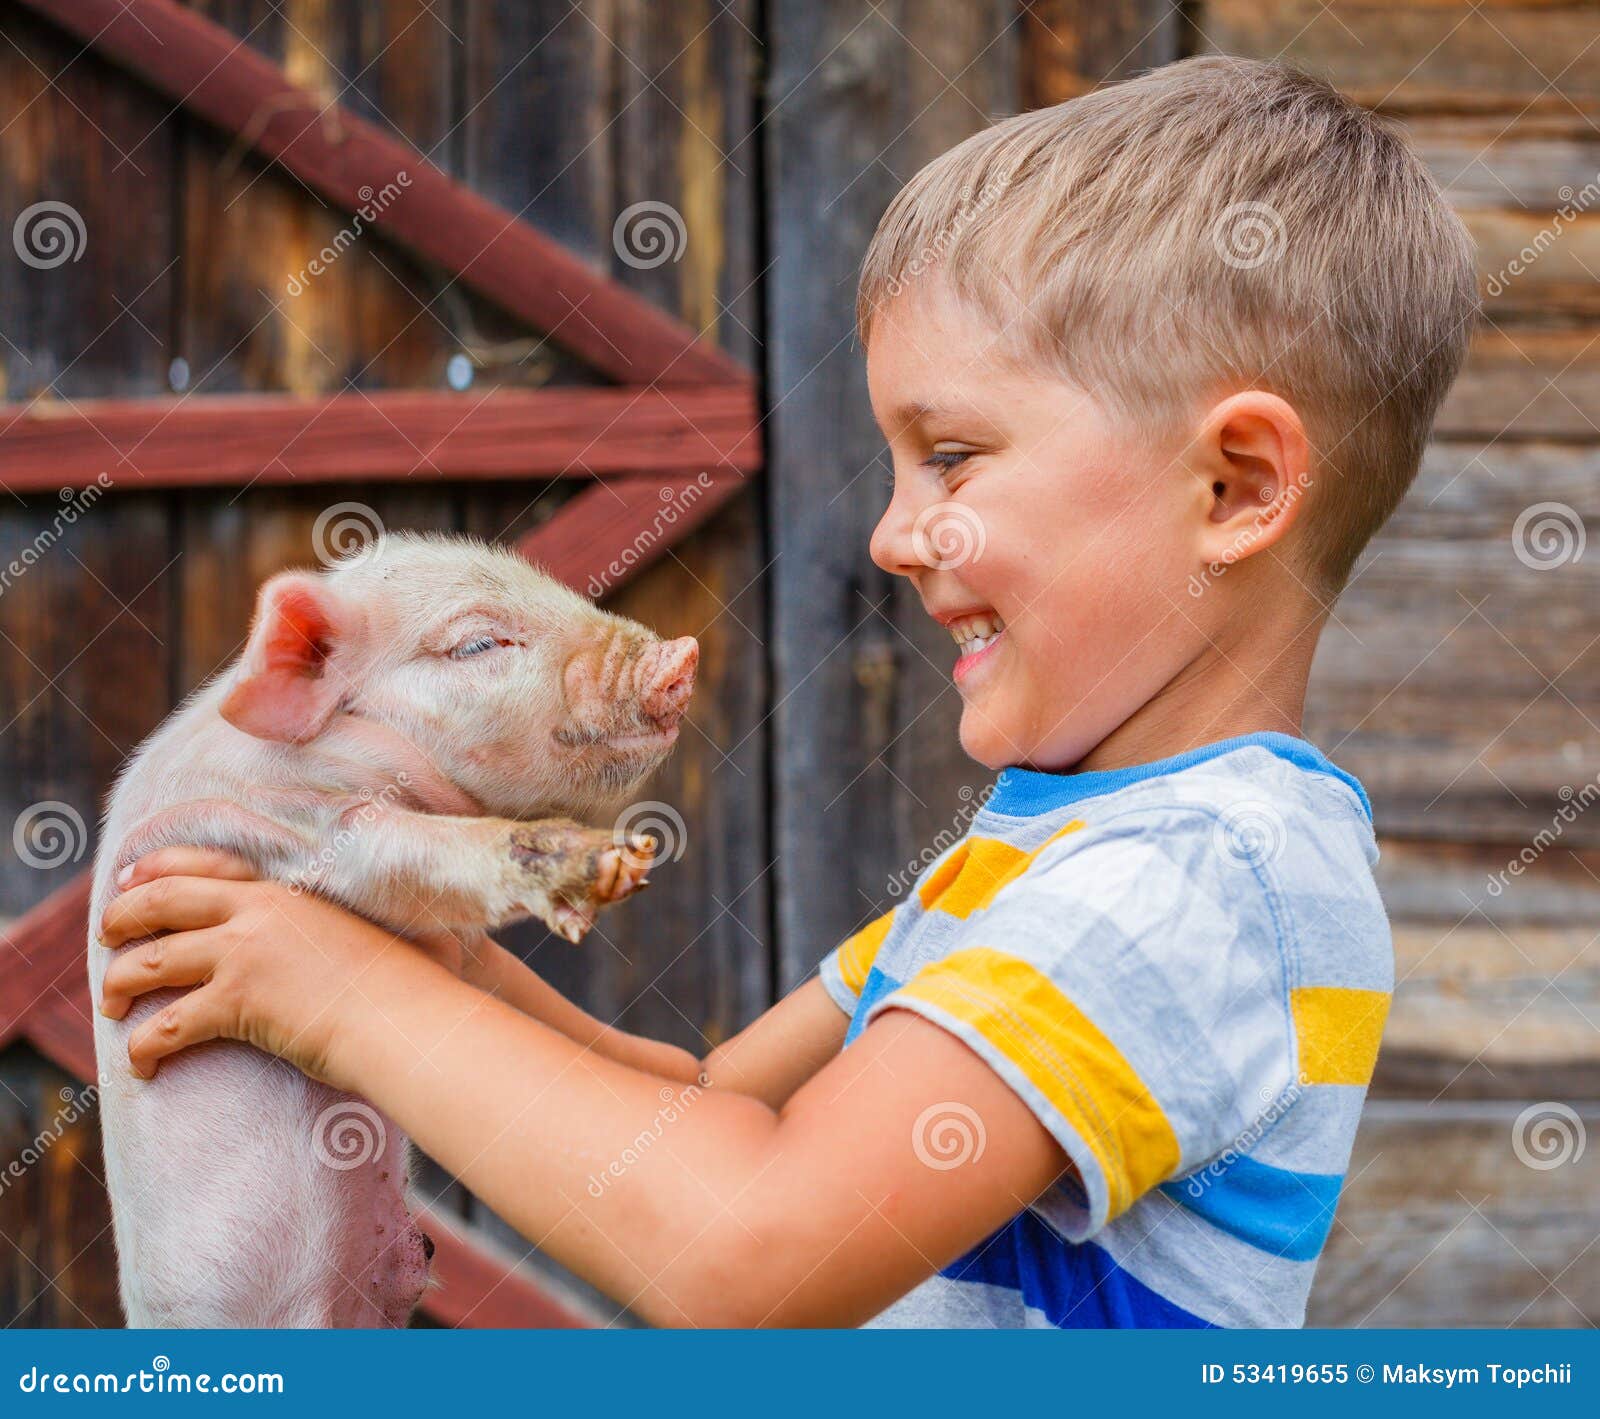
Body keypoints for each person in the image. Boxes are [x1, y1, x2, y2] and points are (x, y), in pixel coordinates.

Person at [96, 56, 1479, 1328]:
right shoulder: (1033, 858)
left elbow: (757, 1250)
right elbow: (702, 1107)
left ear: (1233, 488)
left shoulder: (1191, 877)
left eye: (952, 456)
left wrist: (342, 1001)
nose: (890, 531)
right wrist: (423, 950)